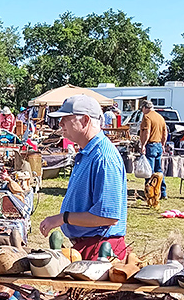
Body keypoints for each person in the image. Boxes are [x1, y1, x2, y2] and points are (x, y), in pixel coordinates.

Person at [39, 95, 128, 259]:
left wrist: (62, 218)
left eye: (65, 118)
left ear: (85, 120)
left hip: (100, 250)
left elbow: (108, 216)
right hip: (89, 246)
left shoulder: (104, 158)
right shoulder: (90, 153)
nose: (60, 123)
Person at [139, 100, 168, 199]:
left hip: (150, 145)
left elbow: (147, 132)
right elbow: (165, 133)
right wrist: (163, 145)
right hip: (159, 145)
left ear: (144, 108)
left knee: (149, 171)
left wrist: (143, 145)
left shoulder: (147, 117)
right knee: (158, 170)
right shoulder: (160, 117)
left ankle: (150, 193)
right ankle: (162, 192)